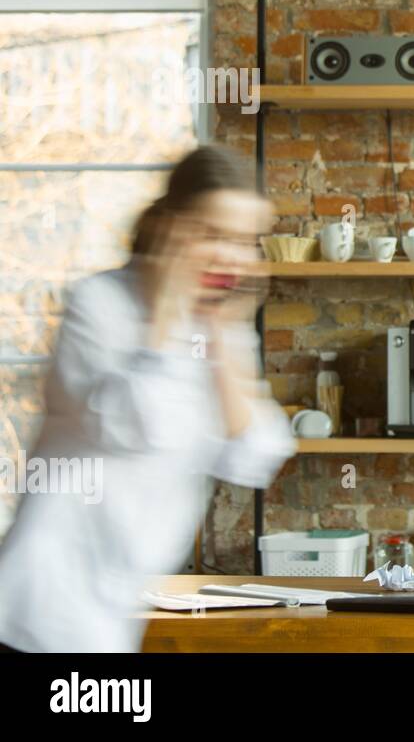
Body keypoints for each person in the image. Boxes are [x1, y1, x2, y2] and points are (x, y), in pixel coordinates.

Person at [0, 145, 295, 652]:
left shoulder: (216, 326)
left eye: (246, 241)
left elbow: (255, 453)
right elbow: (133, 424)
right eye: (214, 234)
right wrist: (166, 306)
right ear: (169, 230)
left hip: (109, 619)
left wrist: (225, 335)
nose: (233, 256)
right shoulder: (100, 305)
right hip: (38, 611)